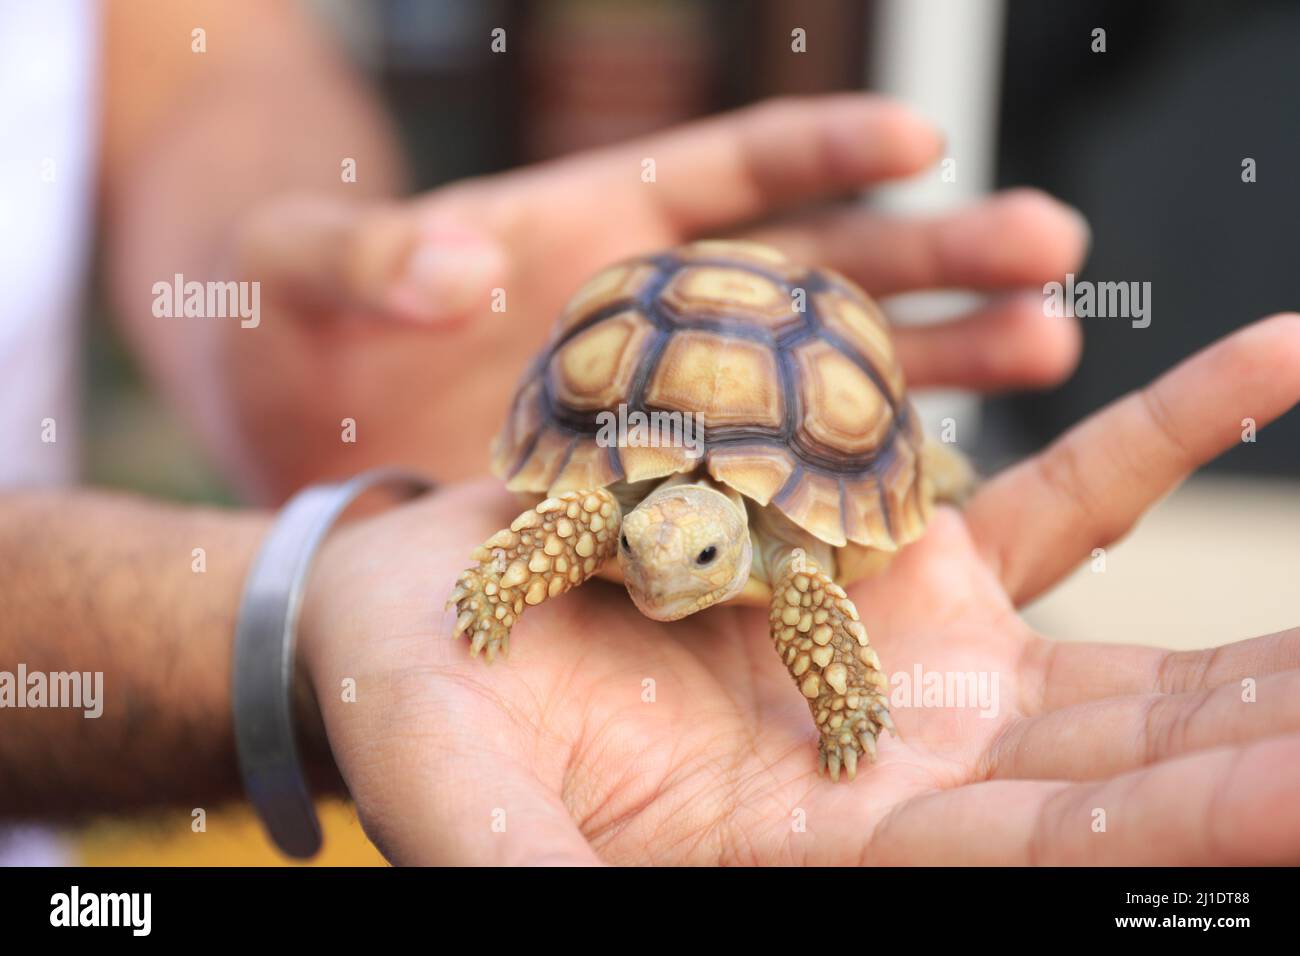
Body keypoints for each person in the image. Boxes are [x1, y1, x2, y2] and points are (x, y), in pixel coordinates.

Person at [3, 0, 1298, 865]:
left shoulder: (780, 555)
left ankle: (928, 467)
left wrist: (251, 273)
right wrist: (302, 605)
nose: (657, 573)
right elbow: (586, 520)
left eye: (683, 561)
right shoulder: (613, 523)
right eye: (648, 553)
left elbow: (194, 48)